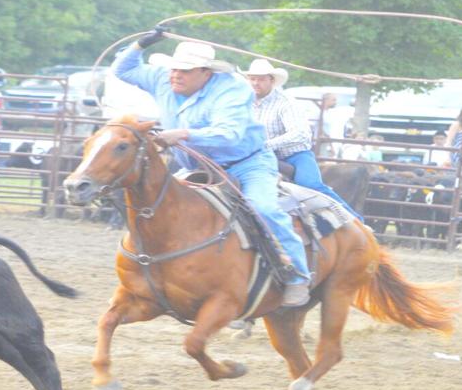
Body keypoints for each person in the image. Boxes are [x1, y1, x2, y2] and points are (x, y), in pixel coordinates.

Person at [113, 30, 313, 303]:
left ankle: (298, 277)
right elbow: (123, 69)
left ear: (205, 73)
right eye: (174, 68)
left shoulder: (232, 89)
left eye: (185, 70)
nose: (176, 75)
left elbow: (229, 134)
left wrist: (183, 134)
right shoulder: (163, 78)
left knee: (263, 208)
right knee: (164, 208)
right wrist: (141, 44)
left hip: (246, 164)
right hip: (196, 165)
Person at [244, 59, 364, 222]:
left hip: (294, 155)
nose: (256, 83)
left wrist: (266, 144)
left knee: (311, 185)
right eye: (253, 79)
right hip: (260, 155)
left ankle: (355, 221)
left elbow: (300, 133)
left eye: (261, 79)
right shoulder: (245, 102)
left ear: (271, 80)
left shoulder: (286, 102)